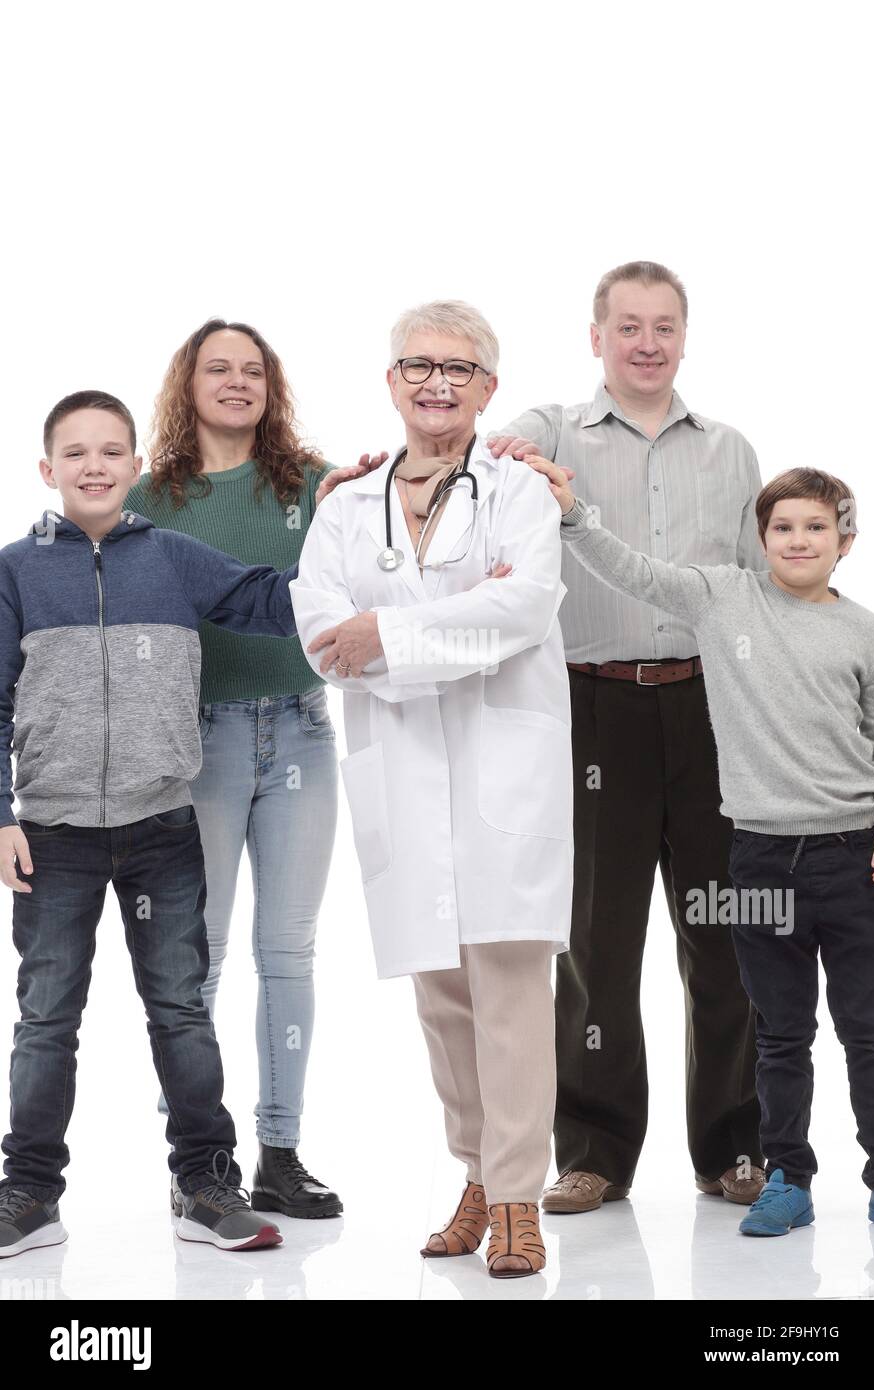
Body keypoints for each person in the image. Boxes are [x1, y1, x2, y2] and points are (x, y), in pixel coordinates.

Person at [528, 449, 874, 1236]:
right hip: (760, 856)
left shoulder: (866, 632)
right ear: (758, 538)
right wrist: (569, 513)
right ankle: (785, 1174)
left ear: (844, 541)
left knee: (869, 1028)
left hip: (855, 858)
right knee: (780, 1033)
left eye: (815, 528)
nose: (798, 540)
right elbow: (632, 571)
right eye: (782, 527)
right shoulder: (723, 599)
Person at [291, 300, 572, 1277]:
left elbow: (524, 608)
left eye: (460, 368)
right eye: (419, 364)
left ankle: (516, 1196)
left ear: (488, 388)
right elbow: (327, 637)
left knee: (509, 994)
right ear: (392, 380)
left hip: (506, 776)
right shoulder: (343, 507)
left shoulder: (518, 493)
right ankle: (476, 1176)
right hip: (402, 777)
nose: (438, 382)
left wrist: (394, 636)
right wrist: (445, 629)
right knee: (442, 1000)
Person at [0, 390, 316, 1256]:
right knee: (44, 1018)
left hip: (162, 827)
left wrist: (366, 528)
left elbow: (273, 602)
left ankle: (204, 1185)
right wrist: (2, 818)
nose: (94, 466)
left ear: (134, 469)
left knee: (180, 1009)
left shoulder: (172, 558)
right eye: (76, 453)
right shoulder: (17, 570)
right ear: (47, 470)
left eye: (111, 452)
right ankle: (27, 1194)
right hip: (54, 832)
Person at [487, 260, 765, 1212]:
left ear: (684, 337)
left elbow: (756, 590)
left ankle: (734, 1146)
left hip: (709, 709)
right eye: (628, 326)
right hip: (591, 705)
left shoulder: (729, 450)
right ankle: (595, 1150)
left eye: (663, 327)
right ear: (595, 336)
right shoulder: (550, 431)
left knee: (724, 934)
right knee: (595, 942)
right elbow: (482, 456)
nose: (646, 343)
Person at [126, 319, 375, 1220]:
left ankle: (280, 1150)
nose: (236, 382)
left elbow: (365, 574)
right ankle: (198, 1157)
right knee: (200, 952)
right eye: (216, 369)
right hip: (200, 744)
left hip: (303, 730)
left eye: (252, 370)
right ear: (185, 386)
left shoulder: (312, 486)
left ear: (271, 386)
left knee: (290, 950)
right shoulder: (151, 498)